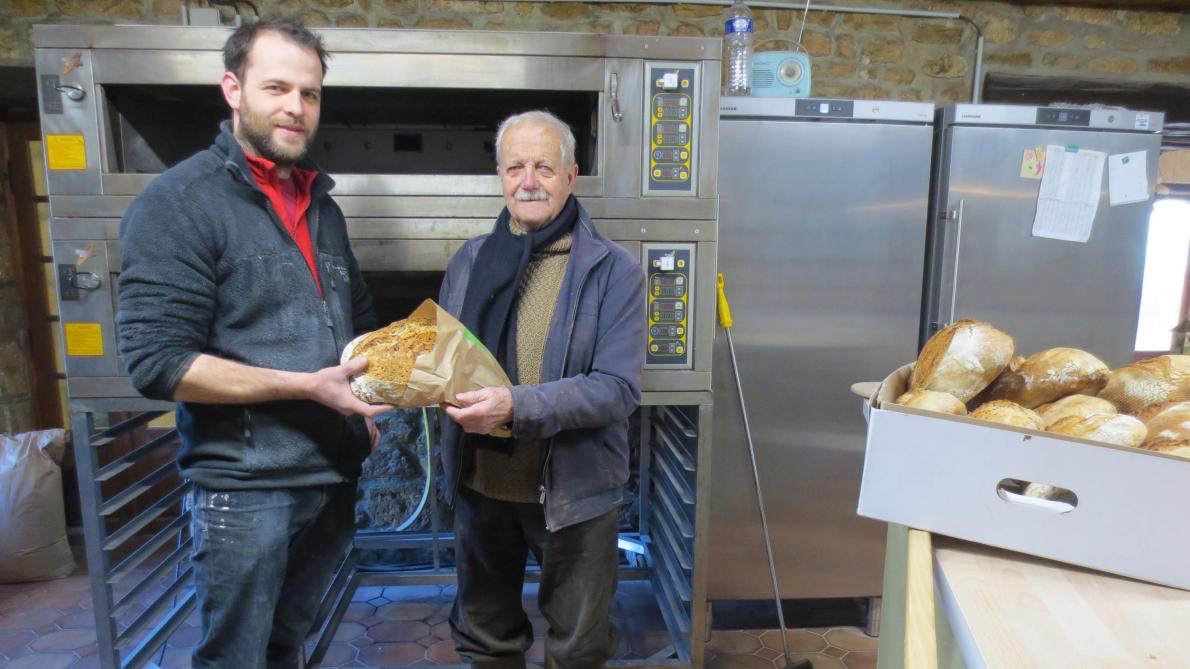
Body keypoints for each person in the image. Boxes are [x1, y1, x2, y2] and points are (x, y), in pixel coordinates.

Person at [115, 17, 388, 669]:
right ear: (233, 89)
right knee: (235, 658)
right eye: (277, 87)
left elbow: (356, 320)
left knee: (284, 647)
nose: (296, 106)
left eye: (311, 93)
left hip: (331, 475)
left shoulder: (322, 205)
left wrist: (377, 399)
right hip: (246, 487)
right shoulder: (178, 203)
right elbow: (157, 363)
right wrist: (309, 387)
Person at [438, 110, 646, 669]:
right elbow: (444, 359)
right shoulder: (470, 260)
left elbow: (616, 389)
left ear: (571, 176)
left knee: (578, 646)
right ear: (501, 177)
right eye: (515, 168)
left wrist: (515, 405)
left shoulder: (613, 270)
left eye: (543, 168)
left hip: (574, 494)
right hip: (482, 485)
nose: (528, 181)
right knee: (485, 639)